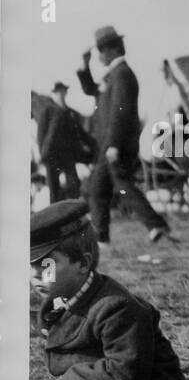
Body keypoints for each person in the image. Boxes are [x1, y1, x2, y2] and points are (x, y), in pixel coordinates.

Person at [29, 200, 188, 380]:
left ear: (84, 263)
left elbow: (127, 374)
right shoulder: (56, 309)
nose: (36, 276)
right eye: (32, 267)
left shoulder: (116, 307)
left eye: (47, 265)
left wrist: (74, 379)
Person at [76, 25, 173, 245]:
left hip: (115, 145)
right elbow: (91, 89)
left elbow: (121, 112)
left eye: (100, 52)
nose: (98, 56)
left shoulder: (121, 75)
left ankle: (105, 237)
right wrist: (85, 66)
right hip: (112, 145)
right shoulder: (115, 75)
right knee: (108, 187)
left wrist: (113, 145)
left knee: (108, 188)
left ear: (110, 50)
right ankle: (152, 225)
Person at [35, 82, 84, 202]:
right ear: (53, 94)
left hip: (67, 153)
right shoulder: (47, 110)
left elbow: (76, 134)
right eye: (58, 92)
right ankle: (56, 217)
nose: (61, 95)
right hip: (51, 154)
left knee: (73, 184)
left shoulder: (69, 112)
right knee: (54, 187)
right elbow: (41, 134)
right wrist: (43, 153)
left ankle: (74, 215)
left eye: (63, 91)